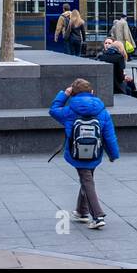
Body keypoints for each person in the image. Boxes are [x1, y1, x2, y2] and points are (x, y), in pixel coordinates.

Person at [49, 77, 119, 231]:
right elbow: (109, 135)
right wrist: (113, 154)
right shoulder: (102, 111)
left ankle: (97, 216)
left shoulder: (69, 111)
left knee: (87, 180)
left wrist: (64, 94)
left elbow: (53, 110)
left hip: (76, 152)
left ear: (73, 93)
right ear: (92, 92)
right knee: (87, 178)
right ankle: (82, 211)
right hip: (95, 152)